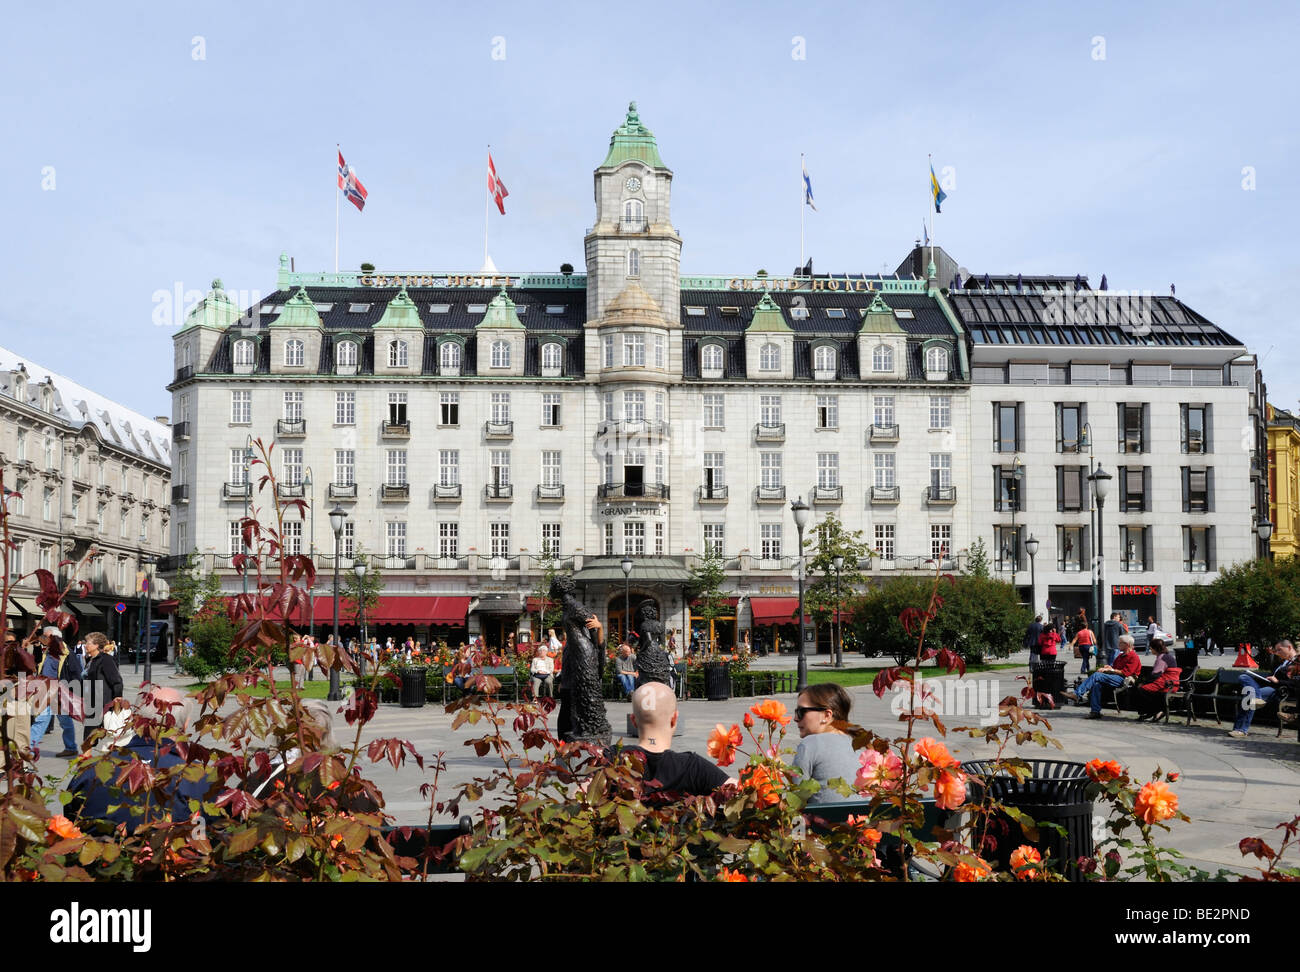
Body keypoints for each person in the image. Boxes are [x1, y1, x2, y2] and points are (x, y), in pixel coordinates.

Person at [65, 686, 217, 835]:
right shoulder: (202, 778)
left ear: (135, 720)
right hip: (171, 856)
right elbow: (218, 833)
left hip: (96, 856)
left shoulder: (93, 771)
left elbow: (69, 822)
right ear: (185, 725)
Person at [606, 682, 730, 796]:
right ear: (674, 718)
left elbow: (586, 792)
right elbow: (742, 794)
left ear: (633, 721)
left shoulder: (611, 758)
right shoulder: (694, 766)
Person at [792, 683, 865, 805]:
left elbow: (796, 801)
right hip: (864, 821)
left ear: (826, 715)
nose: (795, 718)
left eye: (801, 712)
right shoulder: (860, 744)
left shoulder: (810, 744)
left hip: (826, 822)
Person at [29, 627, 83, 758]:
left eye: (47, 637)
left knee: (64, 721)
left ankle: (70, 748)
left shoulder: (66, 653)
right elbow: (38, 664)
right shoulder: (48, 651)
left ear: (56, 638)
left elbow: (76, 673)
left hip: (58, 691)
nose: (44, 639)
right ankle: (29, 749)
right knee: (42, 718)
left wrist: (71, 691)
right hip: (45, 690)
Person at [1229, 640, 1298, 737]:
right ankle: (1256, 699)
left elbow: (1295, 683)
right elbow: (1271, 677)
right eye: (1276, 651)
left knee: (1249, 696)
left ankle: (1240, 729)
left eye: (1279, 650)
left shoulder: (1297, 663)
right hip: (1268, 686)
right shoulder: (1283, 662)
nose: (1277, 653)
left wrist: (1278, 682)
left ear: (1289, 648)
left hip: (1279, 690)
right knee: (1243, 677)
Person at [1063, 634, 1142, 718]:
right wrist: (1109, 667)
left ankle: (1077, 694)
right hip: (1116, 677)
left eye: (1120, 643)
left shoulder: (1133, 657)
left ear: (1127, 645)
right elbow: (1115, 668)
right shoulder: (1120, 656)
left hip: (1124, 680)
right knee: (1096, 685)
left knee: (1097, 675)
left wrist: (1110, 670)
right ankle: (1095, 711)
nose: (1118, 645)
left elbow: (1126, 673)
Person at [81, 631, 125, 750]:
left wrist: (117, 698)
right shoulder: (91, 660)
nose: (85, 645)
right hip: (93, 701)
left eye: (88, 643)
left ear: (96, 645)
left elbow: (116, 680)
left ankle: (91, 759)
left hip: (103, 702)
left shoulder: (105, 659)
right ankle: (87, 759)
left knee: (106, 733)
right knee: (90, 734)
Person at [1134, 639, 1183, 721]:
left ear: (1154, 648)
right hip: (1171, 682)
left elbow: (1156, 674)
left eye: (1151, 648)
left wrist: (1143, 683)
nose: (1150, 649)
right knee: (1145, 690)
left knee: (1141, 689)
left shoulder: (1161, 658)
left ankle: (1151, 712)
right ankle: (1154, 711)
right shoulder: (1166, 656)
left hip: (1167, 684)